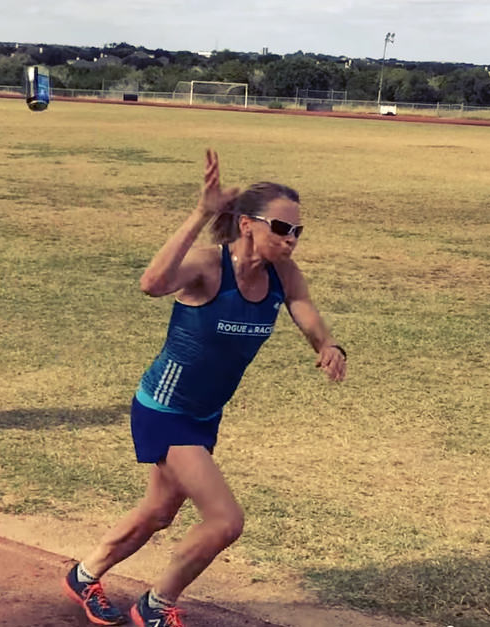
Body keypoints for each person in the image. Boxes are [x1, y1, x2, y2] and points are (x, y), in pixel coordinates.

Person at [61, 149, 346, 626]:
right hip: (164, 410)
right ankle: (155, 605)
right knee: (225, 521)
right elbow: (151, 284)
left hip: (204, 414)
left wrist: (328, 344)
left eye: (297, 231)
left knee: (157, 512)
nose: (291, 239)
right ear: (247, 225)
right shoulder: (208, 268)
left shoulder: (282, 275)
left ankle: (84, 575)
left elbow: (304, 307)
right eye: (281, 227)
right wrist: (200, 213)